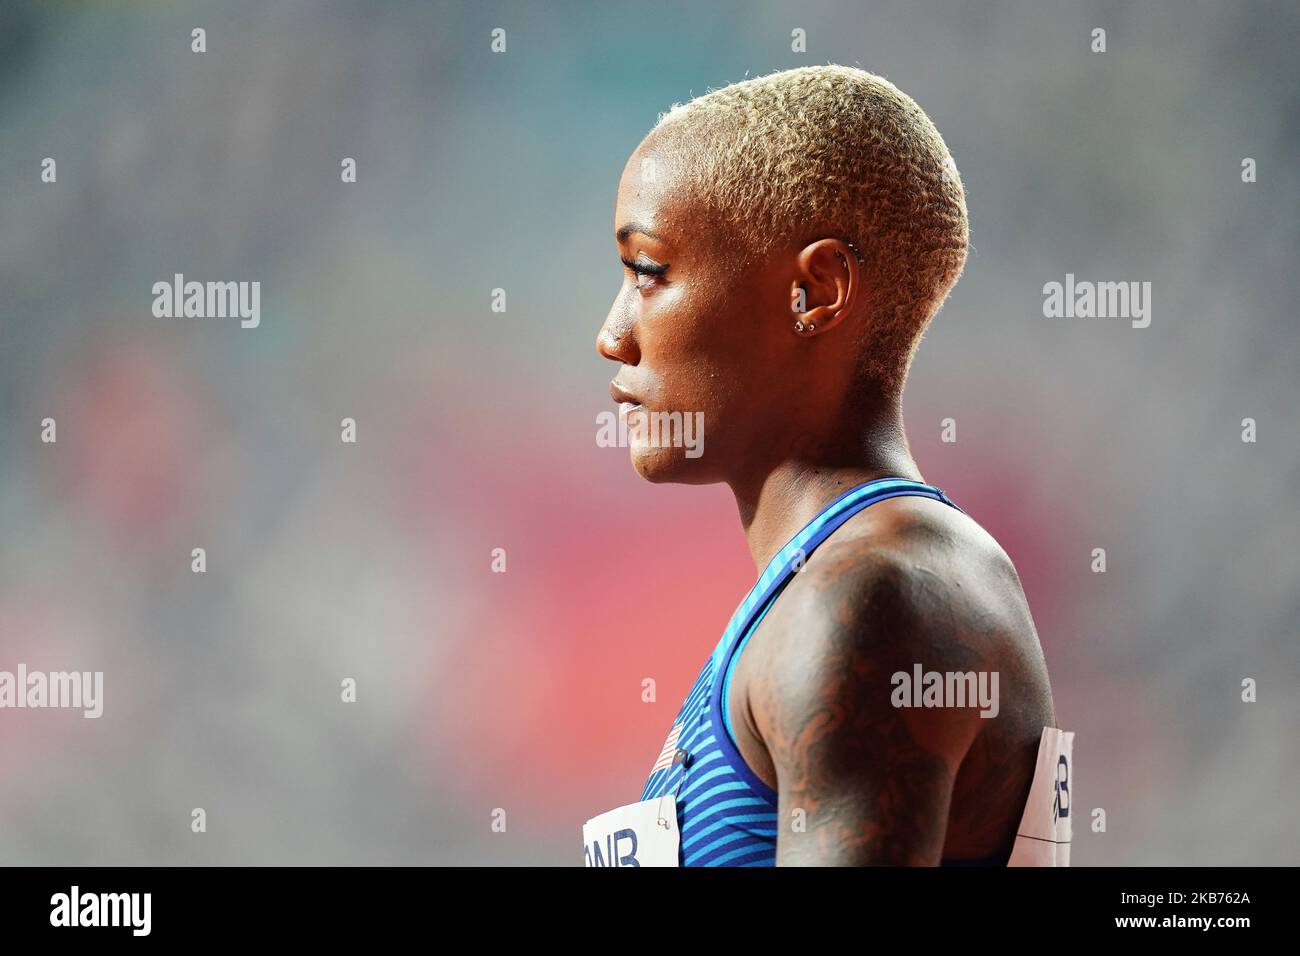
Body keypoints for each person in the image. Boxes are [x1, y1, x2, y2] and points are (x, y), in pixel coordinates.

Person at [585, 65, 1071, 867]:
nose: (612, 334)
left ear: (815, 291)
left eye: (648, 273)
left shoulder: (870, 596)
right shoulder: (854, 584)